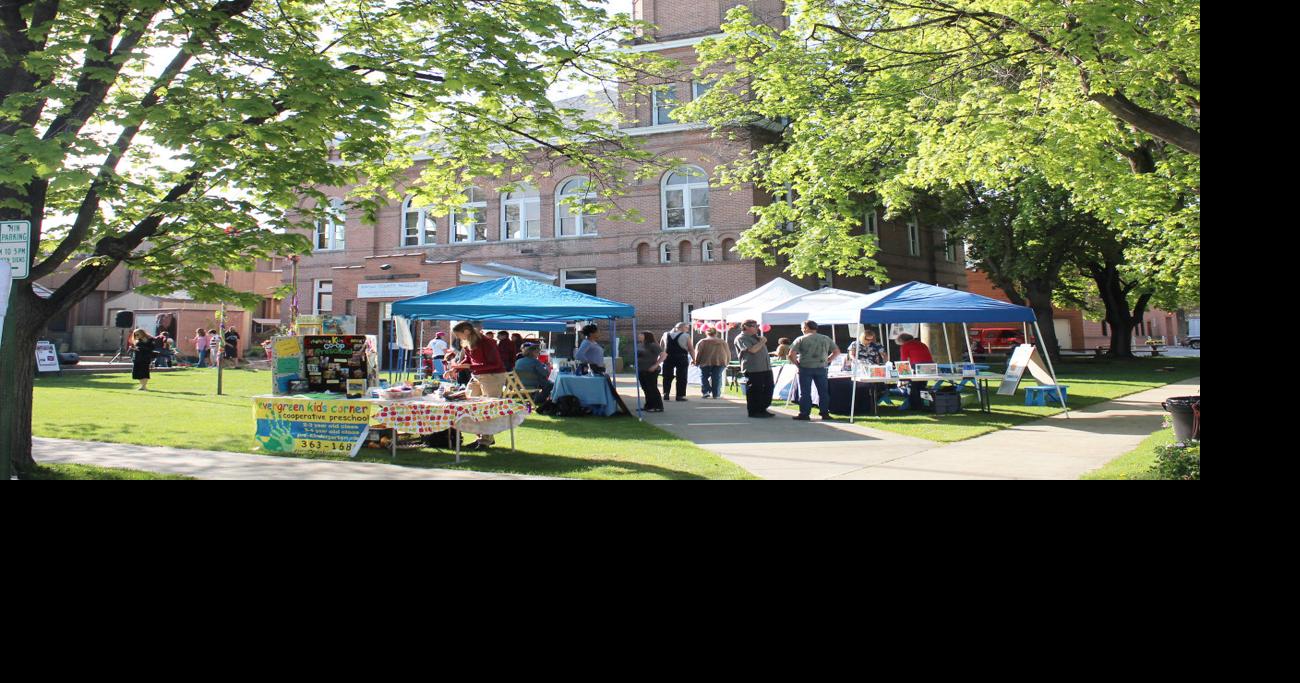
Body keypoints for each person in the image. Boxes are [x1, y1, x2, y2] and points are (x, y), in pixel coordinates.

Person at [446, 321, 506, 449]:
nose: (458, 338)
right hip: (477, 375)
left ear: (466, 332)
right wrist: (455, 369)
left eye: (459, 335)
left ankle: (485, 440)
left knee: (487, 407)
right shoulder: (467, 343)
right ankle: (481, 437)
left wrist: (469, 366)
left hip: (492, 376)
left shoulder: (487, 343)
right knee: (469, 404)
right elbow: (467, 360)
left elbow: (495, 364)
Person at [788, 320, 840, 421]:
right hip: (821, 367)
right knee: (823, 392)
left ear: (806, 328)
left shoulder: (801, 339)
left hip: (805, 367)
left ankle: (804, 413)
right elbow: (836, 351)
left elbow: (791, 354)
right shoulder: (826, 338)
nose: (802, 329)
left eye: (802, 328)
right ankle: (824, 413)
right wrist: (828, 360)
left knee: (805, 392)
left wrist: (797, 364)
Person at [734, 320, 774, 418]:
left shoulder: (756, 337)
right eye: (754, 326)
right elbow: (753, 350)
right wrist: (762, 341)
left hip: (765, 367)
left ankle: (763, 408)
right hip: (753, 368)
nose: (757, 328)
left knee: (768, 388)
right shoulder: (741, 338)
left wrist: (760, 340)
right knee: (755, 390)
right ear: (746, 327)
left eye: (757, 326)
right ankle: (754, 411)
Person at [896, 332, 935, 410]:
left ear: (901, 341)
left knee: (914, 387)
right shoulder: (921, 344)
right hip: (930, 367)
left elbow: (903, 360)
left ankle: (914, 405)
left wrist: (901, 373)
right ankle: (923, 405)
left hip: (918, 367)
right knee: (922, 386)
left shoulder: (905, 346)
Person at [660, 322, 694, 401]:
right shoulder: (686, 336)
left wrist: (662, 355)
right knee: (682, 377)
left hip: (668, 357)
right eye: (686, 328)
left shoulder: (665, 334)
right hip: (681, 357)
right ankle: (680, 396)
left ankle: (666, 394)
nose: (687, 330)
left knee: (667, 376)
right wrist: (694, 359)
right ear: (681, 328)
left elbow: (661, 345)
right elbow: (691, 348)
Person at [694, 328, 730, 399]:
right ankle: (716, 394)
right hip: (720, 362)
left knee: (703, 377)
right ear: (716, 333)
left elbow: (698, 353)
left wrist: (696, 361)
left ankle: (706, 391)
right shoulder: (722, 342)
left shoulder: (702, 342)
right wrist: (727, 361)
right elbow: (728, 353)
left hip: (705, 361)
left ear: (706, 333)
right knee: (716, 377)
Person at [637, 331, 665, 412]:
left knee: (652, 388)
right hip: (641, 369)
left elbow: (663, 355)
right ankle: (648, 405)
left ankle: (658, 406)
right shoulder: (640, 345)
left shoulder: (653, 345)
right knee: (645, 388)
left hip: (651, 370)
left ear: (646, 336)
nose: (639, 336)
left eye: (641, 335)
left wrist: (655, 365)